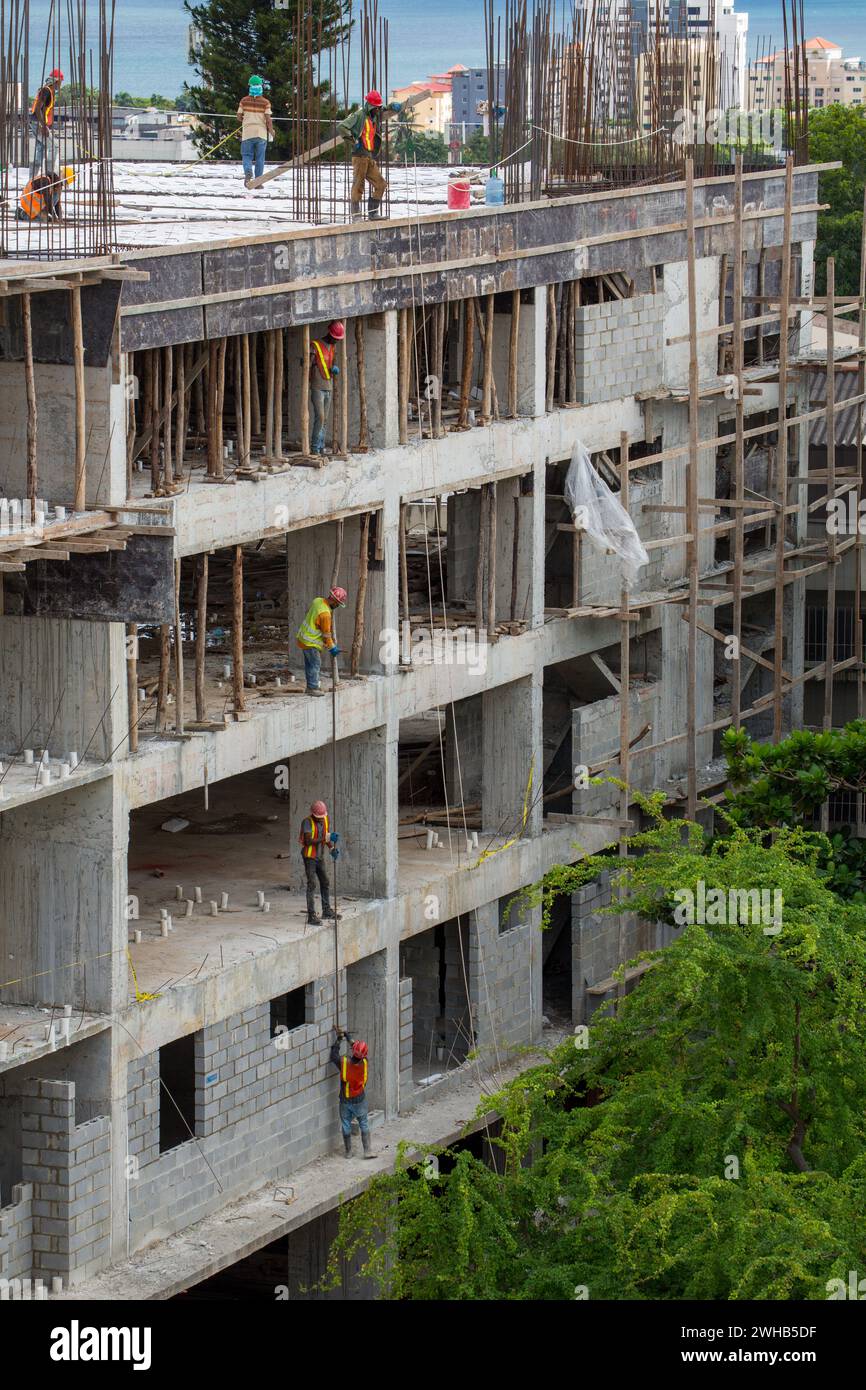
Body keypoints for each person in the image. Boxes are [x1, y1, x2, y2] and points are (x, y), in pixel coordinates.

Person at [337, 90, 402, 221]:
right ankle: (356, 215)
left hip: (369, 156)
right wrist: (353, 141)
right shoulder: (359, 115)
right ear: (370, 106)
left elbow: (384, 108)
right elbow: (342, 126)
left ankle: (373, 213)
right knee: (358, 185)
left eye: (378, 108)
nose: (378, 110)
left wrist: (392, 106)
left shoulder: (374, 114)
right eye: (376, 107)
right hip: (359, 156)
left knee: (381, 184)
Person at [329, 1031, 376, 1159]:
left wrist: (339, 1040)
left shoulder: (344, 1063)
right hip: (360, 1098)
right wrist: (350, 1038)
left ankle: (349, 1152)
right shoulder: (365, 1062)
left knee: (346, 1124)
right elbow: (359, 1050)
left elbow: (333, 1056)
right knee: (364, 1123)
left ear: (352, 1051)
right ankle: (367, 1150)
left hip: (346, 1100)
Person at [296, 586, 347, 696]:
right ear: (334, 600)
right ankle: (313, 688)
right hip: (311, 642)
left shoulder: (317, 600)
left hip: (303, 639)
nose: (337, 606)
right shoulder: (325, 614)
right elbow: (326, 635)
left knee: (310, 664)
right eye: (338, 603)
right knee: (315, 664)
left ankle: (310, 686)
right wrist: (332, 648)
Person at [298, 799, 340, 925]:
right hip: (309, 857)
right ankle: (311, 916)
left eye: (322, 817)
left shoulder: (325, 819)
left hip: (319, 857)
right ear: (314, 815)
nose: (321, 819)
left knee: (325, 882)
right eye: (319, 818)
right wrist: (326, 838)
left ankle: (326, 911)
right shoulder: (307, 822)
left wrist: (331, 847)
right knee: (312, 884)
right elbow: (308, 841)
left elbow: (326, 835)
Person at [308, 321, 344, 457]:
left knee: (325, 419)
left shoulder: (332, 346)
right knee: (320, 417)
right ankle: (314, 448)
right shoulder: (315, 345)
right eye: (336, 338)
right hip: (317, 386)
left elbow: (332, 362)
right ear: (331, 334)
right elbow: (307, 363)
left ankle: (321, 447)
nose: (337, 341)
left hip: (328, 386)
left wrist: (334, 367)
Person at [237, 75, 274, 188]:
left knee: (247, 155)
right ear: (261, 87)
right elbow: (268, 119)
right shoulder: (266, 102)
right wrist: (271, 131)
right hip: (261, 134)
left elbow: (238, 116)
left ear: (250, 86)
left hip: (247, 133)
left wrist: (245, 120)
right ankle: (258, 182)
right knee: (260, 158)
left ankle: (248, 171)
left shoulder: (244, 101)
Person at [30, 69, 64, 178]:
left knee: (40, 148)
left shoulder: (47, 91)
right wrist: (43, 126)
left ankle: (32, 178)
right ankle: (51, 174)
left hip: (35, 123)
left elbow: (43, 109)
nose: (61, 84)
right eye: (61, 82)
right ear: (56, 81)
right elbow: (38, 109)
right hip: (38, 124)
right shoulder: (47, 91)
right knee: (55, 146)